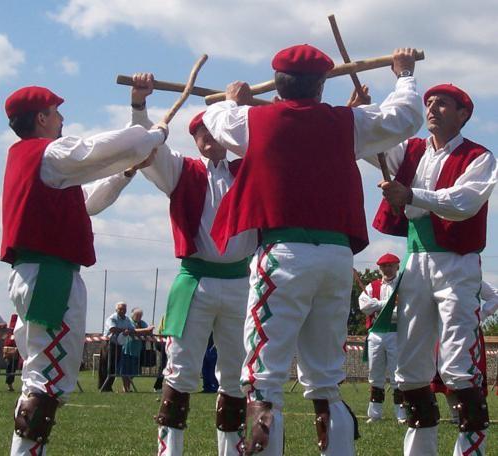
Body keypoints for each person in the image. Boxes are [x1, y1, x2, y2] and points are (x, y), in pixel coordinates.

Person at [203, 45, 423, 455]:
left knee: (264, 380)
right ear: (321, 85)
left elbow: (217, 120)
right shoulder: (346, 123)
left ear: (280, 85)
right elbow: (405, 117)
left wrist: (233, 97)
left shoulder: (254, 120)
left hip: (283, 254)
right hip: (337, 257)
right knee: (325, 380)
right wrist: (404, 73)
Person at [1, 85, 166, 456]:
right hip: (51, 277)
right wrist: (155, 134)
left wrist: (126, 172)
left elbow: (89, 203)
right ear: (41, 118)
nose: (62, 119)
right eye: (56, 112)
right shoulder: (51, 154)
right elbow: (99, 149)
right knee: (45, 381)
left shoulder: (39, 164)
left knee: (41, 377)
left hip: (39, 273)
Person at [129, 73, 258, 456]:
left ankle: (232, 451)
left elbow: (288, 141)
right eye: (202, 133)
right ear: (196, 140)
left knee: (235, 374)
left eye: (215, 131)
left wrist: (242, 109)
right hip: (195, 282)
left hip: (240, 282)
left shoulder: (250, 170)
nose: (211, 138)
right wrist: (139, 105)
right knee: (181, 370)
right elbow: (143, 144)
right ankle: (170, 452)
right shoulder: (181, 170)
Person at [373, 83, 497, 455]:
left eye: (442, 103)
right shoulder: (410, 151)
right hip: (416, 263)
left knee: (459, 361)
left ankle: (470, 450)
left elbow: (464, 202)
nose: (431, 107)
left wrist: (412, 195)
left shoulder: (479, 156)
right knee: (410, 367)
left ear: (463, 114)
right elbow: (370, 144)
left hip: (456, 264)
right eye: (428, 102)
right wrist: (364, 115)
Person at [431, 280, 498, 422]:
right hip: (444, 331)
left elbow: (495, 296)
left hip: (469, 331)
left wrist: (481, 315)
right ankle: (456, 415)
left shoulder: (473, 278)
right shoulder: (437, 279)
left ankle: (469, 413)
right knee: (445, 373)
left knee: (469, 374)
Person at [358, 253, 406, 424]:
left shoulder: (403, 286)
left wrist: (377, 304)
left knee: (397, 373)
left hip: (395, 332)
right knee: (375, 374)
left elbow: (402, 311)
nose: (387, 269)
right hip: (376, 333)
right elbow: (364, 306)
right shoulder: (372, 286)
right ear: (379, 269)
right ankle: (375, 414)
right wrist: (386, 303)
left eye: (391, 265)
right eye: (384, 266)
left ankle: (401, 413)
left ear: (397, 267)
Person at [98, 302, 135, 392]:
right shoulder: (112, 318)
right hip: (108, 344)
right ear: (116, 310)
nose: (122, 311)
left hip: (118, 345)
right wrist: (125, 330)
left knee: (114, 367)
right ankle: (103, 387)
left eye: (124, 309)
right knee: (106, 365)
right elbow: (112, 329)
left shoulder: (127, 319)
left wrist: (129, 331)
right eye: (120, 309)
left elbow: (132, 328)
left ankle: (108, 386)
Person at [119, 307, 154, 392]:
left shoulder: (142, 323)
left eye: (140, 316)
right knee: (125, 370)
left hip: (137, 350)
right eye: (137, 315)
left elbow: (149, 332)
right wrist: (145, 330)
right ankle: (125, 387)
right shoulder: (128, 321)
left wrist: (145, 330)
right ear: (132, 315)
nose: (139, 317)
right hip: (126, 349)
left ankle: (128, 386)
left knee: (134, 371)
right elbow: (132, 330)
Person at [2, 314, 22, 392]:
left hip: (15, 353)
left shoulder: (11, 332)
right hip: (11, 353)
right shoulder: (10, 332)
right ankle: (9, 385)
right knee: (10, 368)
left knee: (12, 368)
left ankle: (10, 384)